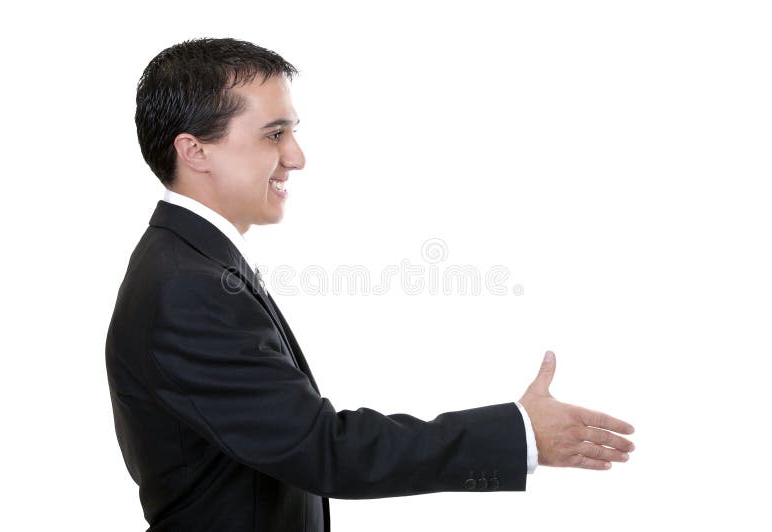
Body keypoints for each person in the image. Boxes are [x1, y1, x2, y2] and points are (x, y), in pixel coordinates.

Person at [105, 37, 635, 532]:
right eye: (274, 134)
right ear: (195, 151)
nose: (296, 157)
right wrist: (519, 433)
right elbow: (324, 450)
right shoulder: (186, 285)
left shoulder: (188, 260)